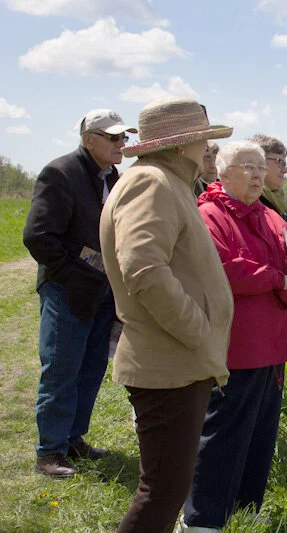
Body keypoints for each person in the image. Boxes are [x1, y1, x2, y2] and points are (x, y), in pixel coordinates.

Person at [99, 97, 235, 533]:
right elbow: (143, 269)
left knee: (166, 490)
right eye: (203, 141)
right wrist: (197, 329)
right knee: (161, 493)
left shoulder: (166, 180)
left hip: (175, 361)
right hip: (167, 363)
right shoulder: (152, 183)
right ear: (180, 145)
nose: (208, 151)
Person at [178, 141, 287, 532]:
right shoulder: (209, 214)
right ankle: (202, 519)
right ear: (223, 173)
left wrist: (284, 281)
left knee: (261, 432)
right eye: (245, 167)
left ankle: (247, 508)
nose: (255, 174)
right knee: (223, 434)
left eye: (259, 167)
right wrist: (274, 278)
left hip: (274, 346)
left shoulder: (269, 216)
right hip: (236, 347)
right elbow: (223, 269)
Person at [22, 109, 137, 478]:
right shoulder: (61, 172)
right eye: (115, 138)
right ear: (89, 139)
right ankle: (49, 452)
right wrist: (74, 276)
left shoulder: (113, 177)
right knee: (61, 368)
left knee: (90, 367)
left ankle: (73, 439)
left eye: (125, 138)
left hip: (101, 292)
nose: (123, 144)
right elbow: (38, 236)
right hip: (68, 291)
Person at [249, 134, 287, 254]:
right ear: (259, 160)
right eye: (280, 163)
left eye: (285, 165)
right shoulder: (246, 203)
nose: (285, 170)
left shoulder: (286, 208)